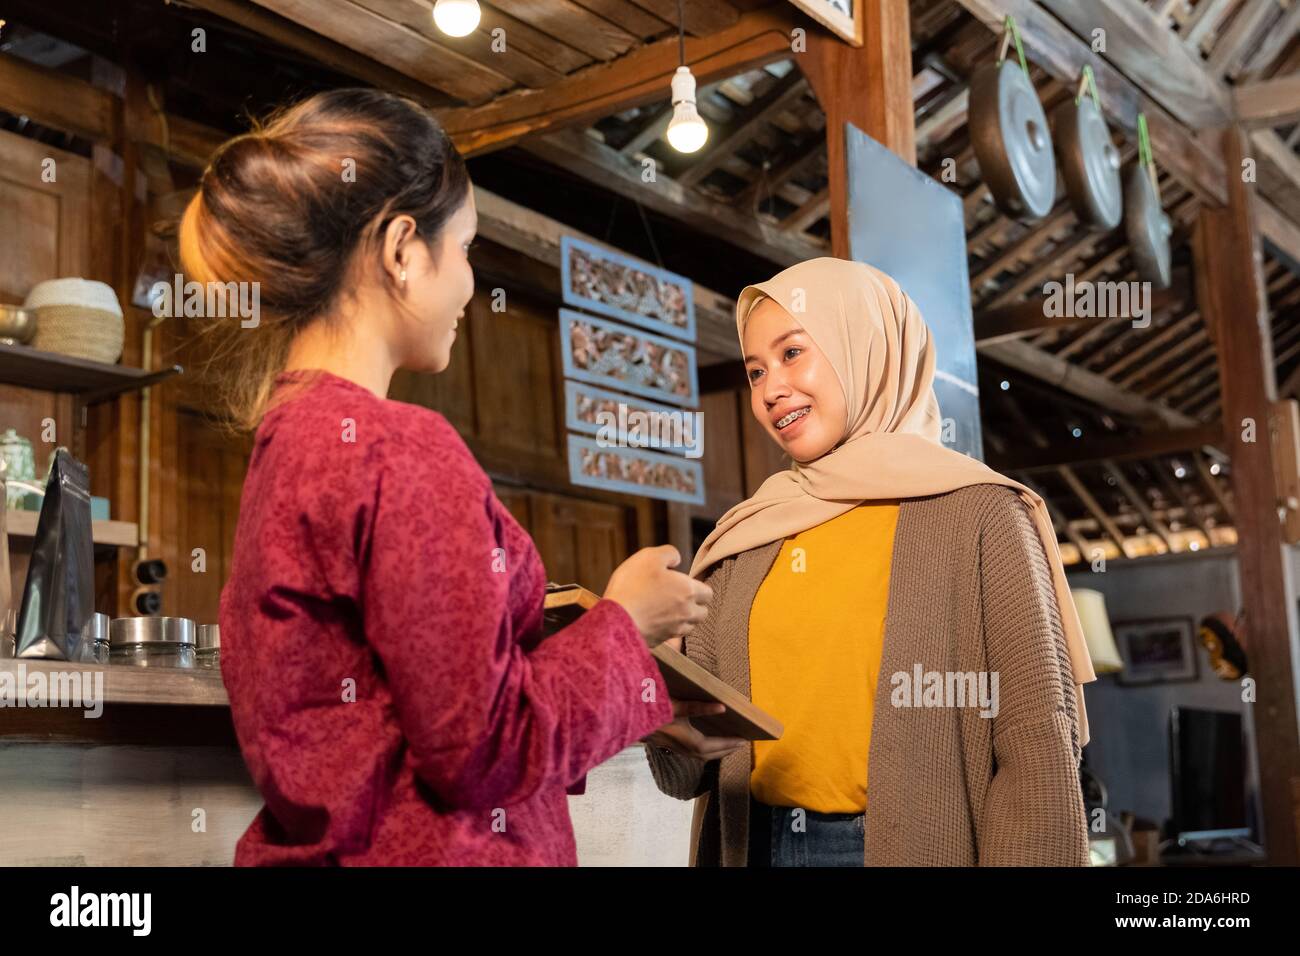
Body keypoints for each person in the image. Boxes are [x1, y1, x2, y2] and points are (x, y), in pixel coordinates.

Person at [179, 88, 714, 865]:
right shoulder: (396, 448)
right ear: (402, 249)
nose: (469, 285)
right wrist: (625, 628)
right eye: (463, 249)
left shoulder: (286, 440)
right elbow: (483, 752)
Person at [643, 257, 1096, 866]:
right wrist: (645, 684)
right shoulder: (746, 537)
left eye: (792, 353)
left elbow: (1036, 748)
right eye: (755, 370)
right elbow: (690, 770)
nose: (771, 388)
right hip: (758, 845)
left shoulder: (981, 515)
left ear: (868, 346)